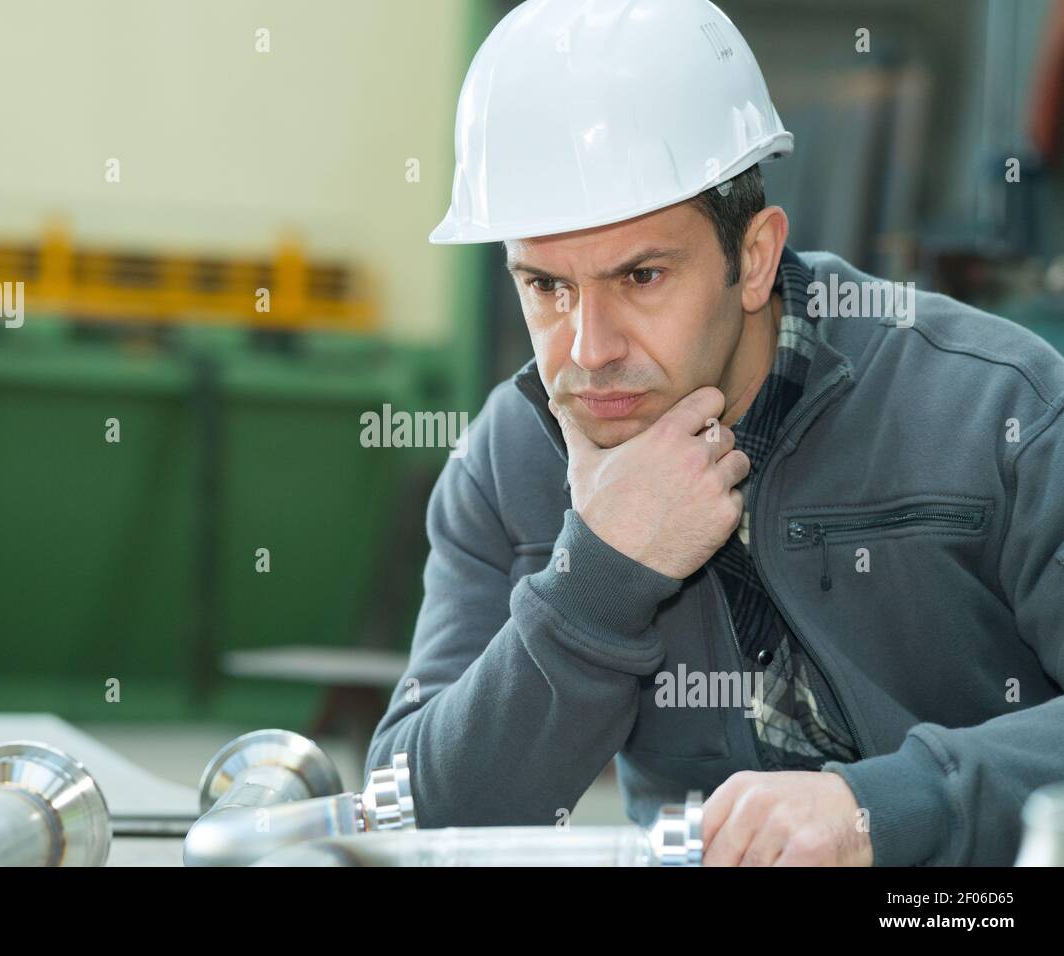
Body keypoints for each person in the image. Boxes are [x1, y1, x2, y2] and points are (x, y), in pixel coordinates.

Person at [365, 0, 1064, 866]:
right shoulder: (508, 464)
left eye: (642, 275)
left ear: (757, 258)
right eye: (546, 287)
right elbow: (407, 820)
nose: (588, 350)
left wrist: (882, 810)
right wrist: (601, 576)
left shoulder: (990, 409)